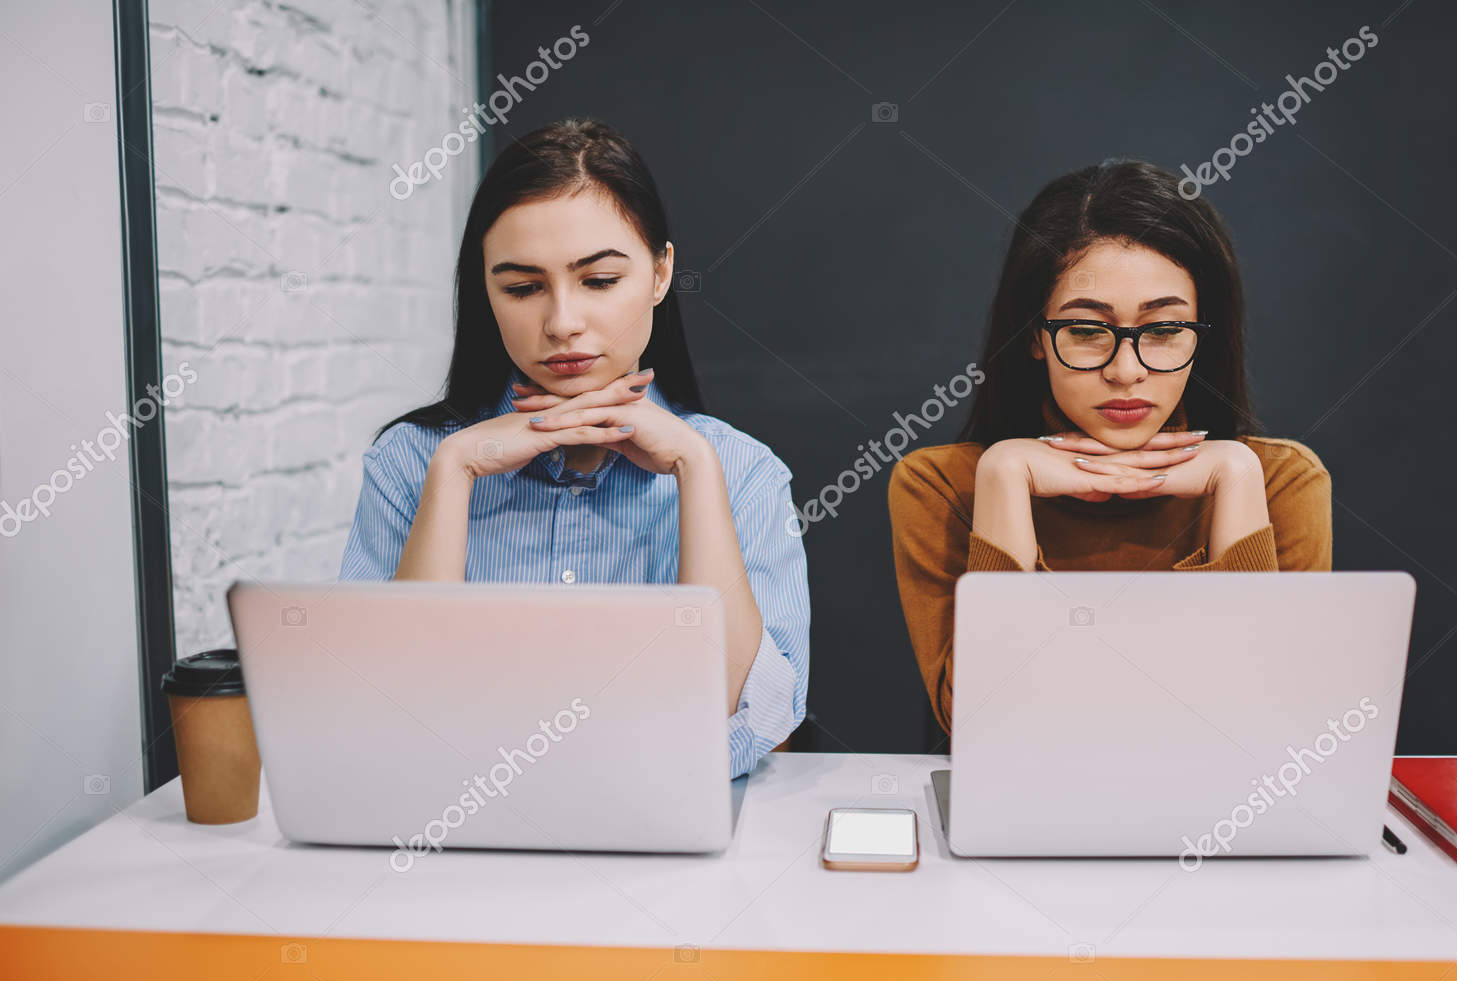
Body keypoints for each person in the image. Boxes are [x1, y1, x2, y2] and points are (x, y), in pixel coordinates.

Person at [339, 118, 809, 778]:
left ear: (659, 273)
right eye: (523, 288)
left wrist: (696, 468)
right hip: (454, 851)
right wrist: (455, 469)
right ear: (486, 291)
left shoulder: (743, 471)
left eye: (598, 280)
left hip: (672, 850)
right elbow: (387, 722)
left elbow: (747, 726)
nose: (562, 323)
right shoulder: (411, 463)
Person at [888, 160, 1331, 734]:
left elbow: (1273, 723)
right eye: (1088, 331)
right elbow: (984, 723)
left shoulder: (1280, 481)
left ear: (1202, 335)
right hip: (1024, 818)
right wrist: (1004, 479)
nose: (1127, 371)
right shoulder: (943, 485)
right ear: (1034, 339)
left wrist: (1238, 482)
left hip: (1224, 816)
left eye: (1166, 331)